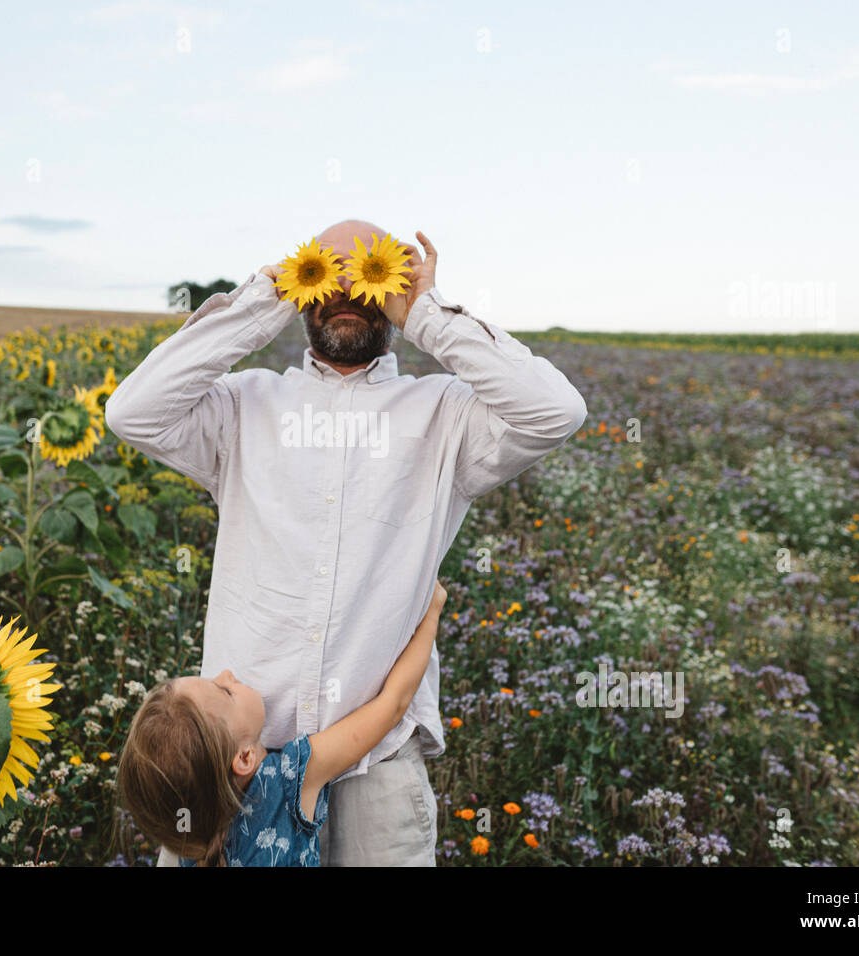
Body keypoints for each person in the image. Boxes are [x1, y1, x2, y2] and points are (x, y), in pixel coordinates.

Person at [106, 221, 587, 865]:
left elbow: (557, 411)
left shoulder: (445, 416)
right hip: (227, 767)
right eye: (326, 272)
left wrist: (429, 315)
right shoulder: (245, 406)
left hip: (377, 767)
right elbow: (130, 412)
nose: (349, 288)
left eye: (370, 271)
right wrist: (267, 297)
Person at [118, 581, 447, 866]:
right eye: (225, 690)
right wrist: (431, 612)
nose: (227, 673)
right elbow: (392, 705)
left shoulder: (192, 843)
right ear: (245, 758)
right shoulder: (288, 783)